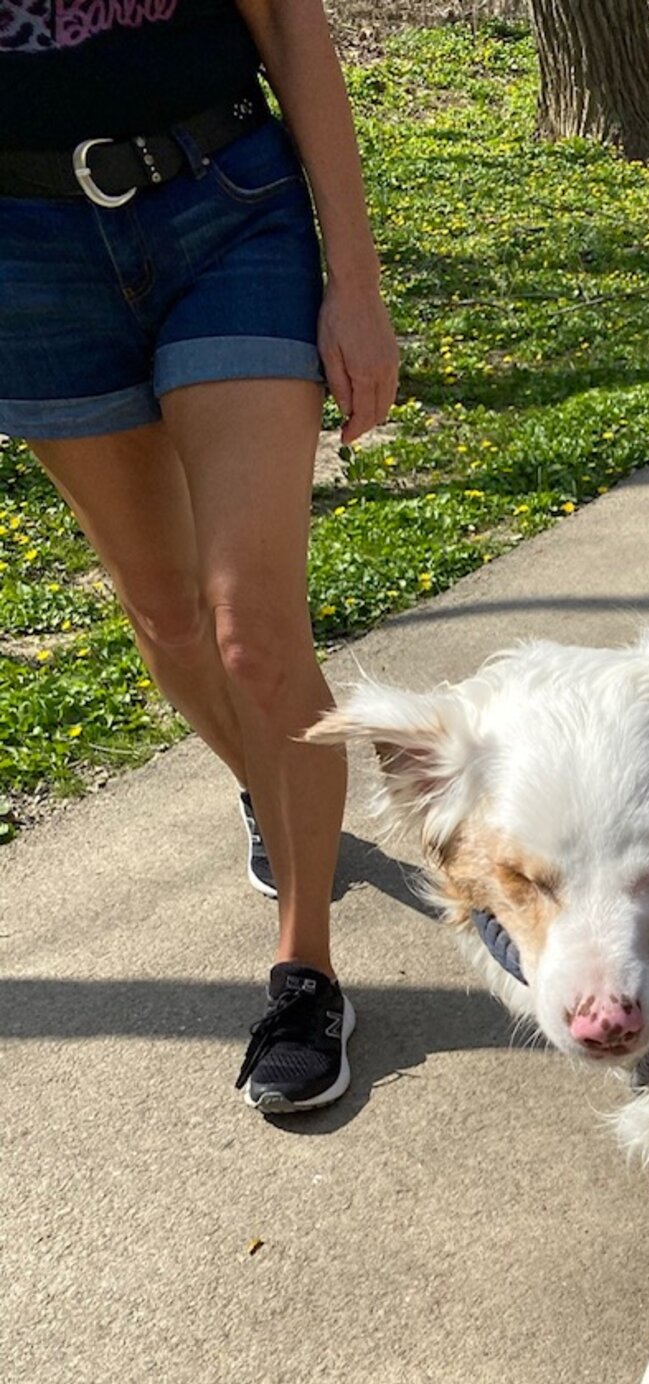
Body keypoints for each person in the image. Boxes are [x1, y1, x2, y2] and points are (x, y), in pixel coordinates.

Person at [0, 0, 400, 1113]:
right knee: (167, 616)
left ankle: (305, 976)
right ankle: (272, 795)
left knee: (249, 628)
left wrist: (357, 285)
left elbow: (289, 25)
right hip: (26, 257)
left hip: (225, 209)